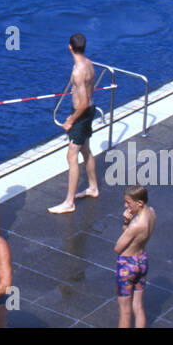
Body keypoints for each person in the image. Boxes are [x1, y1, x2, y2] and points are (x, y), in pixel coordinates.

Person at [49, 33, 99, 214]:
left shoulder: (78, 70)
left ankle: (69, 202)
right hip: (87, 112)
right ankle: (93, 187)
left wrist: (71, 120)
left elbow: (83, 102)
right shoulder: (89, 64)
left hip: (81, 114)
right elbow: (90, 92)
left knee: (72, 155)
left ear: (70, 46)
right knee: (85, 149)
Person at [115, 185, 156, 328]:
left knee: (125, 312)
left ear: (139, 203)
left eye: (128, 203)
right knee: (138, 306)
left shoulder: (136, 225)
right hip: (142, 260)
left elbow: (118, 248)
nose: (126, 206)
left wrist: (126, 222)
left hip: (127, 265)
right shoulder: (151, 213)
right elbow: (136, 239)